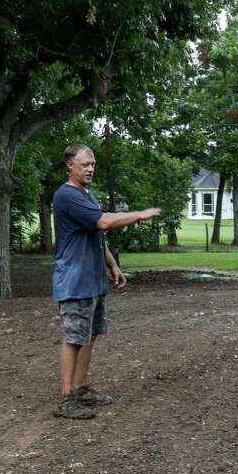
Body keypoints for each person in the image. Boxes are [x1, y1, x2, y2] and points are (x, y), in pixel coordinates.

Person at [52, 144, 161, 419]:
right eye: (85, 164)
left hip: (92, 278)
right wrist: (139, 214)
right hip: (74, 280)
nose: (90, 168)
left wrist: (113, 265)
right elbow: (102, 223)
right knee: (73, 337)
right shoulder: (66, 195)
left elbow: (96, 236)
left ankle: (80, 388)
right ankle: (66, 400)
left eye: (93, 164)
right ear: (69, 165)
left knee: (90, 334)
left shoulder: (87, 195)